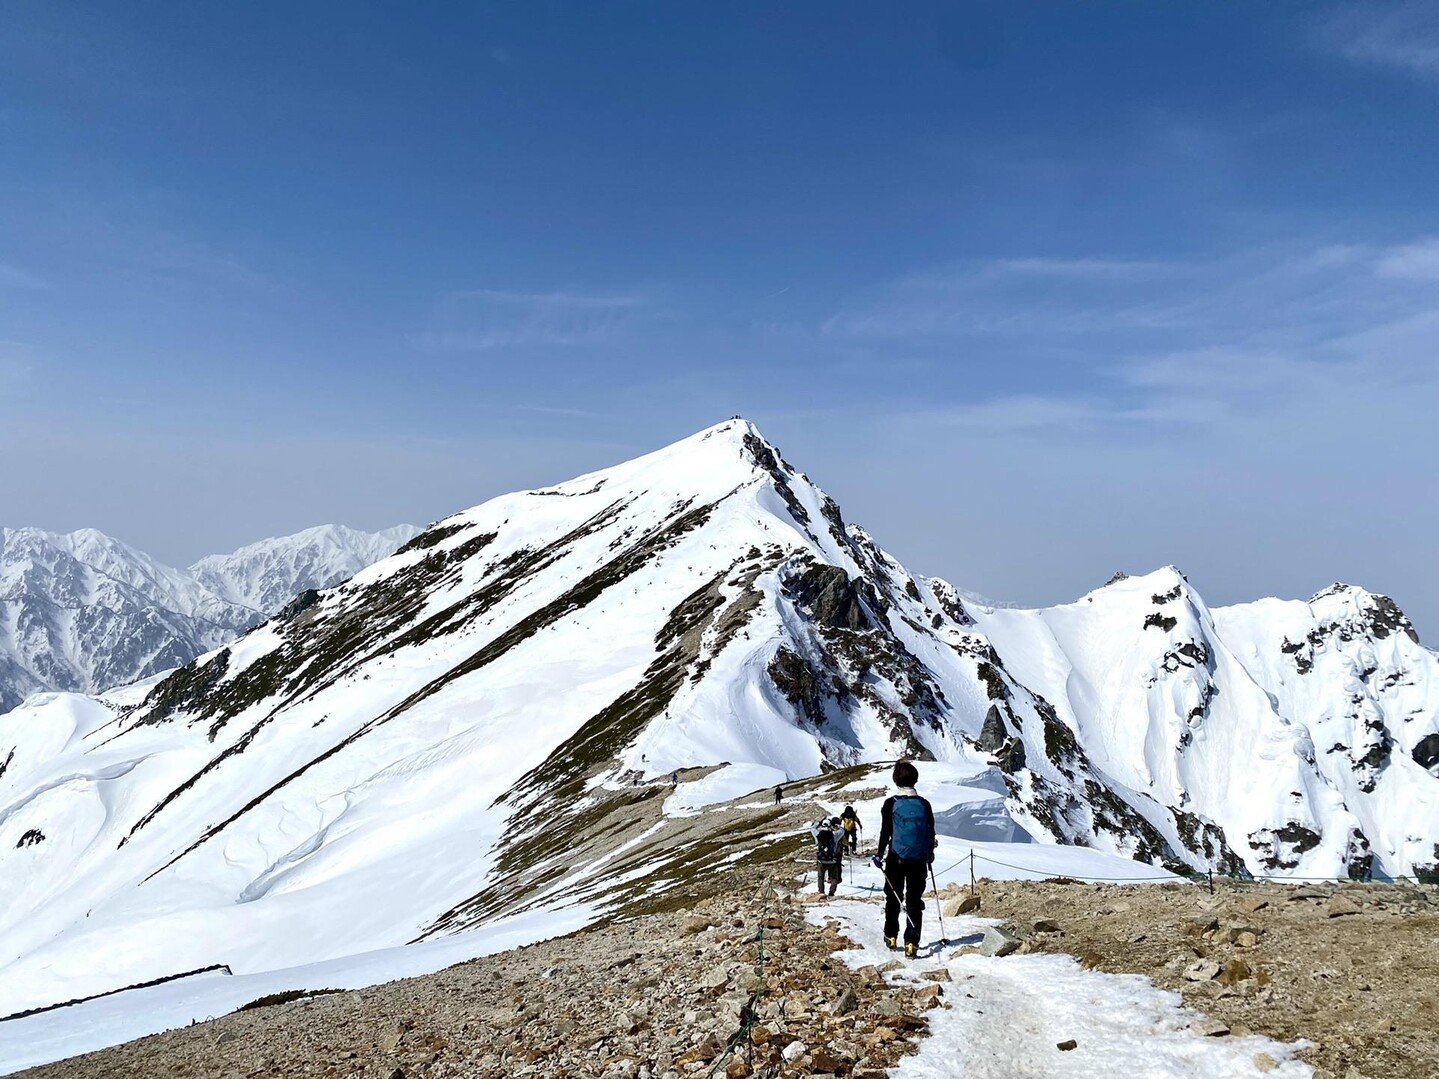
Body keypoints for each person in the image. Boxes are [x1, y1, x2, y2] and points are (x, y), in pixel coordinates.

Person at [871, 760, 936, 958]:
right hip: (918, 860)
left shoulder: (891, 803)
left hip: (895, 859)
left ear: (896, 780)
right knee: (914, 901)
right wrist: (929, 855)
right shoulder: (924, 804)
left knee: (893, 897)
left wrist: (879, 854)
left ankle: (891, 935)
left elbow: (886, 832)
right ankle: (912, 943)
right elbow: (930, 831)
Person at [812, 816, 843, 897]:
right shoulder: (834, 835)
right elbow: (842, 831)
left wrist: (818, 823)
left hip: (821, 860)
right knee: (835, 877)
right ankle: (831, 892)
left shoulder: (818, 834)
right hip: (832, 860)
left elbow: (812, 828)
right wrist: (837, 826)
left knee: (821, 877)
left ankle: (821, 893)